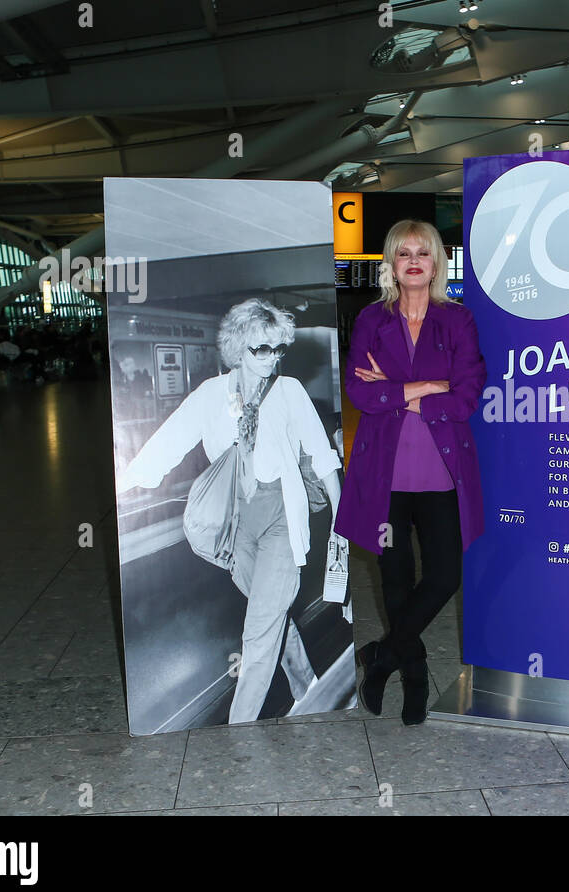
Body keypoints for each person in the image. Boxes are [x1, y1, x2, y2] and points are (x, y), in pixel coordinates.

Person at [117, 298, 344, 724]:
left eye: (278, 349)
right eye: (262, 350)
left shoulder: (290, 391)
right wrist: (125, 483)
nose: (272, 358)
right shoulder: (210, 395)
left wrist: (341, 519)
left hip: (280, 518)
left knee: (258, 630)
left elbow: (322, 457)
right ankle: (308, 688)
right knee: (271, 612)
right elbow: (167, 444)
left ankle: (238, 731)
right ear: (238, 349)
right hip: (234, 526)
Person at [335, 219, 485, 726]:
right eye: (404, 253)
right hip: (386, 474)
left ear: (437, 262)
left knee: (444, 575)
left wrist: (398, 390)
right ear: (392, 265)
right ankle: (415, 673)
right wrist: (428, 385)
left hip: (443, 473)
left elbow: (465, 397)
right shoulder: (371, 321)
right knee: (395, 580)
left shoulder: (458, 321)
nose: (415, 260)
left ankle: (381, 656)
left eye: (424, 251)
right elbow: (361, 394)